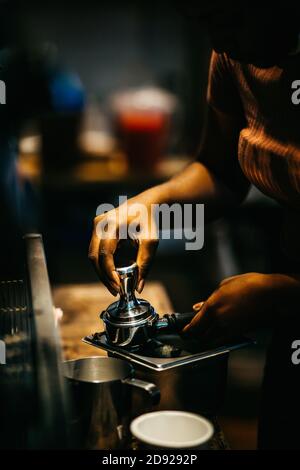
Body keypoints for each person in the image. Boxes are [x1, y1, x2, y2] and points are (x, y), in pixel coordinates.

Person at [88, 2, 300, 449]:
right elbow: (221, 171)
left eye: (230, 19)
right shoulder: (234, 53)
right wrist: (151, 203)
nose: (219, 42)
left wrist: (287, 295)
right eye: (206, 24)